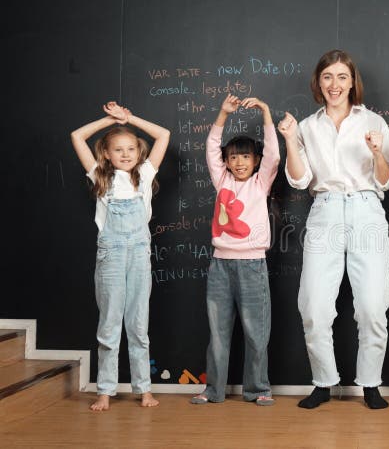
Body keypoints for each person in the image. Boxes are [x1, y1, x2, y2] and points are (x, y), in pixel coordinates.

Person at [278, 49, 389, 409]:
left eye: (342, 77)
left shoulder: (373, 121)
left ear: (352, 82)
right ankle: (323, 382)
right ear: (319, 82)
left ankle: (371, 384)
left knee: (373, 305)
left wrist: (377, 153)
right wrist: (289, 139)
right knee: (314, 305)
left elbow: (387, 180)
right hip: (325, 210)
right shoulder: (307, 126)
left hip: (366, 209)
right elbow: (300, 180)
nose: (335, 84)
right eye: (328, 76)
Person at [70, 101, 170, 411]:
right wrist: (109, 120)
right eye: (118, 149)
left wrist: (129, 119)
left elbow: (163, 135)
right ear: (106, 154)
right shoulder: (100, 175)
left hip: (139, 254)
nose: (126, 154)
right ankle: (105, 391)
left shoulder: (145, 174)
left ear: (139, 152)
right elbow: (77, 136)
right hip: (111, 256)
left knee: (138, 325)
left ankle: (144, 389)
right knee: (110, 324)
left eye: (131, 149)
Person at [189, 94, 280, 406]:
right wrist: (223, 114)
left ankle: (258, 389)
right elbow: (211, 147)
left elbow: (274, 154)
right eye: (233, 158)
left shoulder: (260, 184)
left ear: (255, 161)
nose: (239, 163)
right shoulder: (222, 182)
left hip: (253, 265)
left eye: (245, 157)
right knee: (218, 334)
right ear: (226, 162)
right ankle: (213, 390)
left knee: (257, 332)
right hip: (220, 266)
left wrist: (266, 111)